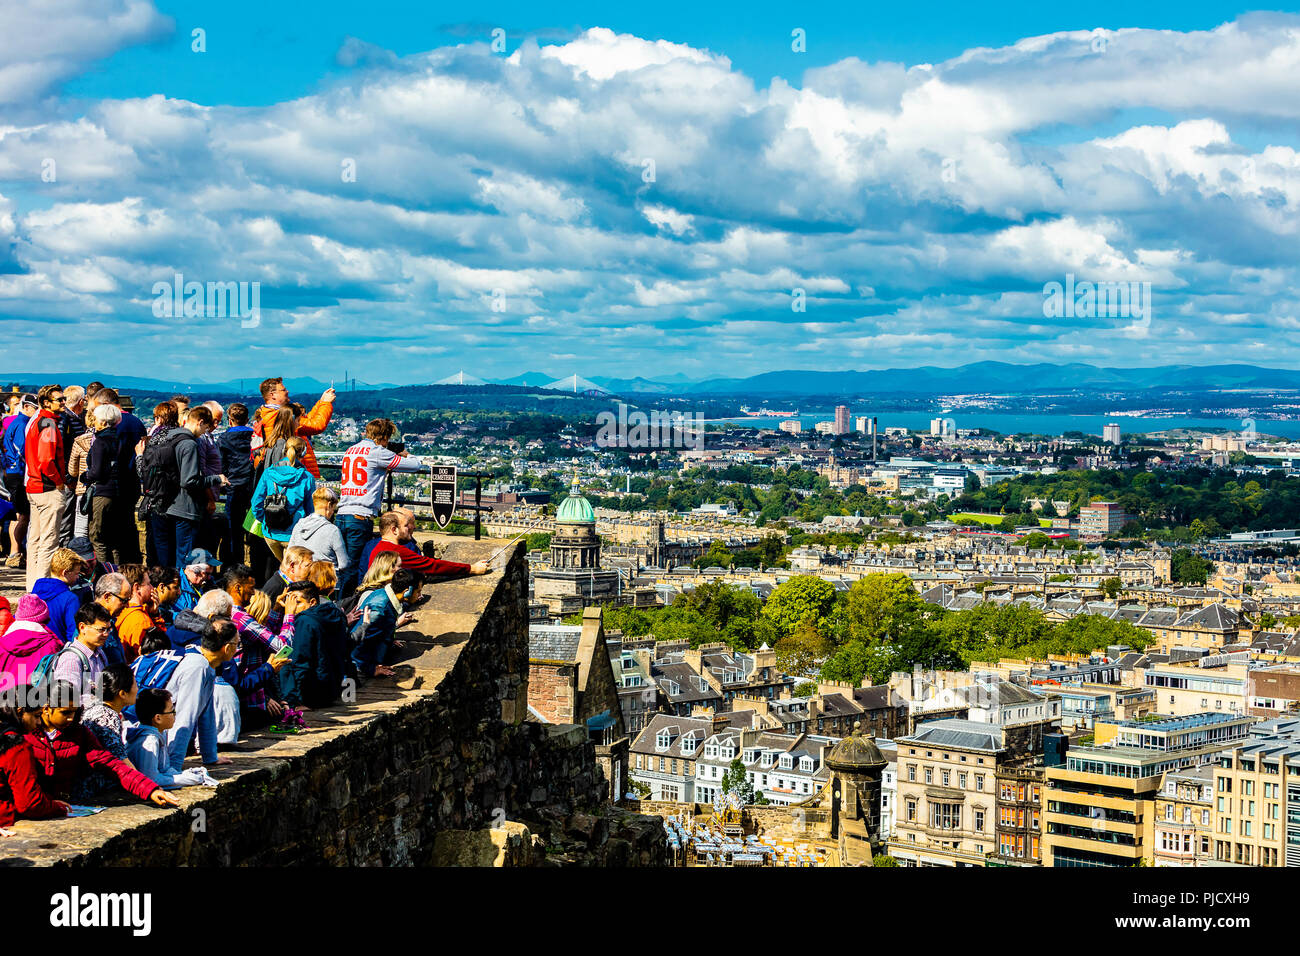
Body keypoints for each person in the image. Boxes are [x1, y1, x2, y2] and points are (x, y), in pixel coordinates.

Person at [20, 680, 178, 807]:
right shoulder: (26, 733)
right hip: (35, 807)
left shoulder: (79, 733)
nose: (71, 718)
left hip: (66, 805)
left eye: (74, 712)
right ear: (46, 709)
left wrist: (150, 789)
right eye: (65, 713)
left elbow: (112, 764)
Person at [335, 418, 425, 596]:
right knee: (353, 569)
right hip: (360, 516)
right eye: (388, 439)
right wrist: (405, 454)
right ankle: (345, 609)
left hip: (342, 514)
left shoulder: (350, 450)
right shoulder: (377, 452)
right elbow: (415, 466)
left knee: (342, 567)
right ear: (383, 437)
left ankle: (341, 604)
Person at [131, 618, 237, 769]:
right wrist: (174, 767)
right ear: (227, 648)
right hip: (136, 724)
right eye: (236, 644)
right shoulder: (198, 667)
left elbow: (206, 713)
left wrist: (210, 756)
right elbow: (185, 718)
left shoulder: (203, 660)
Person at [140, 405, 229, 569]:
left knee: (165, 558)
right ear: (200, 422)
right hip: (185, 508)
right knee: (185, 557)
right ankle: (184, 591)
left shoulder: (168, 436)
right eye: (205, 428)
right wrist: (216, 479)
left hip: (163, 504)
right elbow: (189, 481)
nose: (204, 433)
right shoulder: (189, 444)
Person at [0, 686, 69, 833]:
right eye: (37, 716)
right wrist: (58, 808)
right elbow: (29, 803)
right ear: (20, 713)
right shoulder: (17, 747)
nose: (39, 723)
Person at [24, 385, 70, 590]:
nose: (63, 402)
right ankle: (42, 588)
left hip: (34, 486)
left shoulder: (37, 422)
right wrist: (58, 481)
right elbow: (46, 459)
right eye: (59, 399)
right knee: (49, 542)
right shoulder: (48, 425)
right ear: (46, 403)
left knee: (35, 539)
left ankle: (32, 585)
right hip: (48, 488)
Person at [71, 663, 138, 802]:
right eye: (135, 684)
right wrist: (145, 785)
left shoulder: (95, 707)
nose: (137, 689)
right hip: (90, 787)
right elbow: (119, 758)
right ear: (122, 694)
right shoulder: (107, 716)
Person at [91, 388, 143, 565]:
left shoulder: (105, 435)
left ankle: (106, 572)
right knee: (124, 531)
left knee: (101, 535)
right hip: (131, 483)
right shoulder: (137, 423)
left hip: (108, 486)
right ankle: (128, 568)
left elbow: (99, 467)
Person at [278, 581, 350, 709]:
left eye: (297, 602)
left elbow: (300, 661)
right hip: (332, 688)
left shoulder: (304, 621)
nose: (292, 607)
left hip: (310, 695)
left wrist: (298, 700)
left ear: (312, 602)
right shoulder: (335, 613)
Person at [251, 435, 316, 566]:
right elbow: (311, 511)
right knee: (291, 571)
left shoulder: (269, 472)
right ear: (303, 453)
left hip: (270, 532)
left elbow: (256, 502)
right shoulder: (306, 477)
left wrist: (265, 519)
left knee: (283, 567)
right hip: (293, 534)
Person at [352, 556, 420, 679]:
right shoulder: (379, 609)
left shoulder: (384, 595)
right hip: (358, 669)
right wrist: (369, 669)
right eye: (418, 591)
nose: (419, 595)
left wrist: (387, 639)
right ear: (407, 592)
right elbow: (361, 641)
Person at [369, 509, 490, 579]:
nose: (411, 528)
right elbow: (433, 565)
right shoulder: (397, 551)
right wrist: (472, 569)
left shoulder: (377, 547)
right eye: (406, 526)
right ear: (394, 530)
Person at [125, 689, 208, 789]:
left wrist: (182, 775)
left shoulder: (160, 732)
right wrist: (190, 779)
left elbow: (164, 768)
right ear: (158, 718)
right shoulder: (149, 741)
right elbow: (151, 780)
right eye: (172, 711)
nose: (174, 714)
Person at [253, 378, 334, 479]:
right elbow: (316, 425)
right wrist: (325, 403)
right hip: (294, 474)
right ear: (273, 394)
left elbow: (306, 422)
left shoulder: (272, 413)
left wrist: (321, 402)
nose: (287, 391)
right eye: (283, 390)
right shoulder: (277, 416)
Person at [83, 403, 128, 563]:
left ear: (102, 422)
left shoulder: (100, 442)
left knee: (98, 537)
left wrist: (84, 476)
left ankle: (103, 575)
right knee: (114, 538)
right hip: (118, 491)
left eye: (95, 419)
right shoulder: (121, 439)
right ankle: (117, 572)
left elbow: (96, 472)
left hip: (102, 491)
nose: (93, 422)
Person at [50, 603, 115, 707]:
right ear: (82, 627)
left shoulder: (100, 654)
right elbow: (66, 698)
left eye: (108, 629)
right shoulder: (71, 659)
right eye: (101, 630)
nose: (106, 634)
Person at [2, 393, 37, 569]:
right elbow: (22, 449)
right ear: (25, 407)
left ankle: (15, 552)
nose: (37, 412)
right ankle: (15, 552)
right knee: (22, 515)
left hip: (12, 471)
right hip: (18, 472)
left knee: (18, 514)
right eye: (35, 408)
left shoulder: (17, 422)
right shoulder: (22, 424)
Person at [217, 402, 255, 566]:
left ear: (229, 420)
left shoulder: (224, 439)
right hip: (253, 486)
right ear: (247, 419)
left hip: (233, 486)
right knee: (255, 530)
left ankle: (233, 566)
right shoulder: (254, 436)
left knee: (233, 532)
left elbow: (220, 464)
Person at [0, 595, 62, 690]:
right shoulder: (51, 644)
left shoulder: (2, 642)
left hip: (4, 699)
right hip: (35, 699)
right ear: (44, 619)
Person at [31, 547, 87, 643]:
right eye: (76, 573)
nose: (78, 577)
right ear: (65, 573)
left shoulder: (33, 593)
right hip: (57, 652)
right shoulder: (70, 599)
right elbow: (73, 635)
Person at [289, 486, 348, 569]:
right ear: (329, 505)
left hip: (301, 577)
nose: (332, 512)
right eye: (333, 508)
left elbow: (290, 553)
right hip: (325, 579)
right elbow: (344, 564)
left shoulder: (299, 525)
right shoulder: (333, 531)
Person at [113, 564, 161, 662]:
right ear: (137, 587)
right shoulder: (140, 621)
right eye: (148, 584)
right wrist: (156, 618)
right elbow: (157, 656)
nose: (152, 588)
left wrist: (153, 614)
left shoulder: (119, 610)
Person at [65, 407, 95, 541]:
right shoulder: (112, 439)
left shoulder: (79, 441)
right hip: (104, 489)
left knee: (80, 529)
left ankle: (82, 558)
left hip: (83, 487)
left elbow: (72, 470)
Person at [176, 548, 219, 613]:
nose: (209, 577)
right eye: (207, 574)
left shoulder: (209, 583)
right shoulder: (175, 586)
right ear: (196, 571)